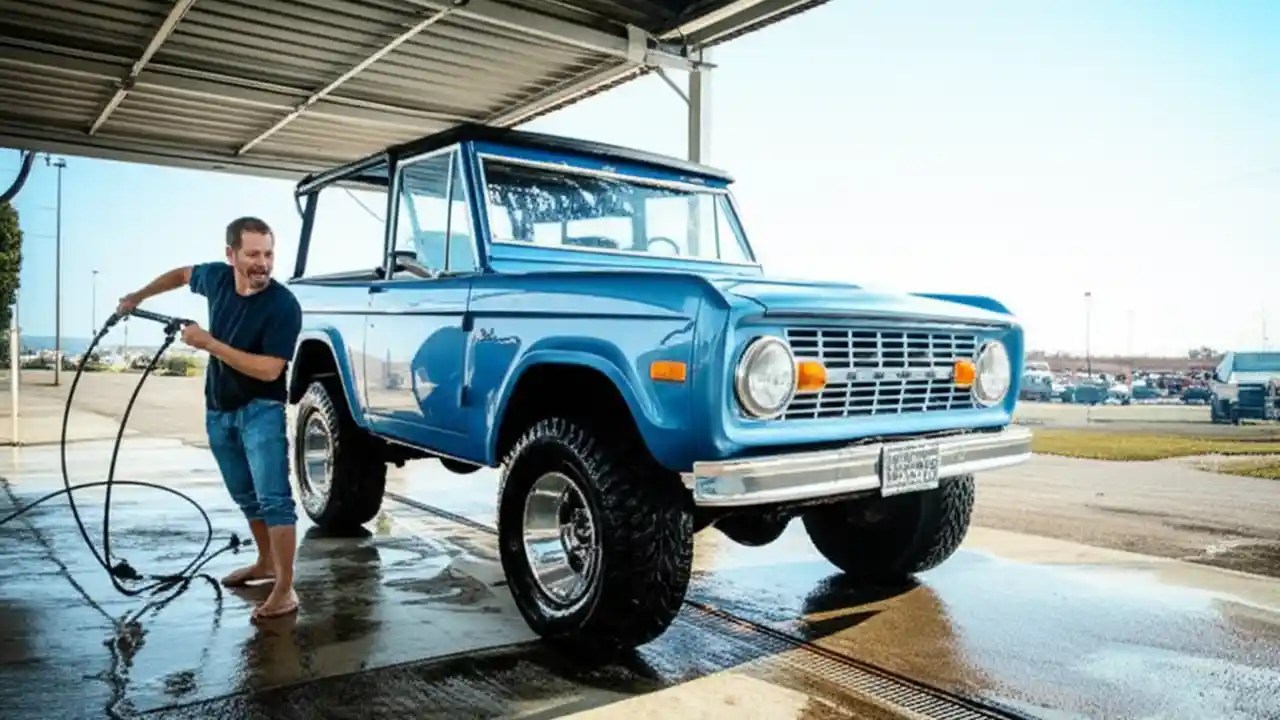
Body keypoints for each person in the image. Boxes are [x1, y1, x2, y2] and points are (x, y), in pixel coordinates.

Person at [116, 216, 303, 621]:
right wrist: (140, 295)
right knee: (245, 495)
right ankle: (265, 563)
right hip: (219, 409)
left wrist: (209, 343)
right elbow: (183, 273)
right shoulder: (217, 279)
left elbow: (271, 370)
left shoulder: (284, 305)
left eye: (268, 254)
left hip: (261, 410)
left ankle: (285, 589)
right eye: (253, 254)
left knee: (274, 499)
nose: (263, 264)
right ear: (230, 255)